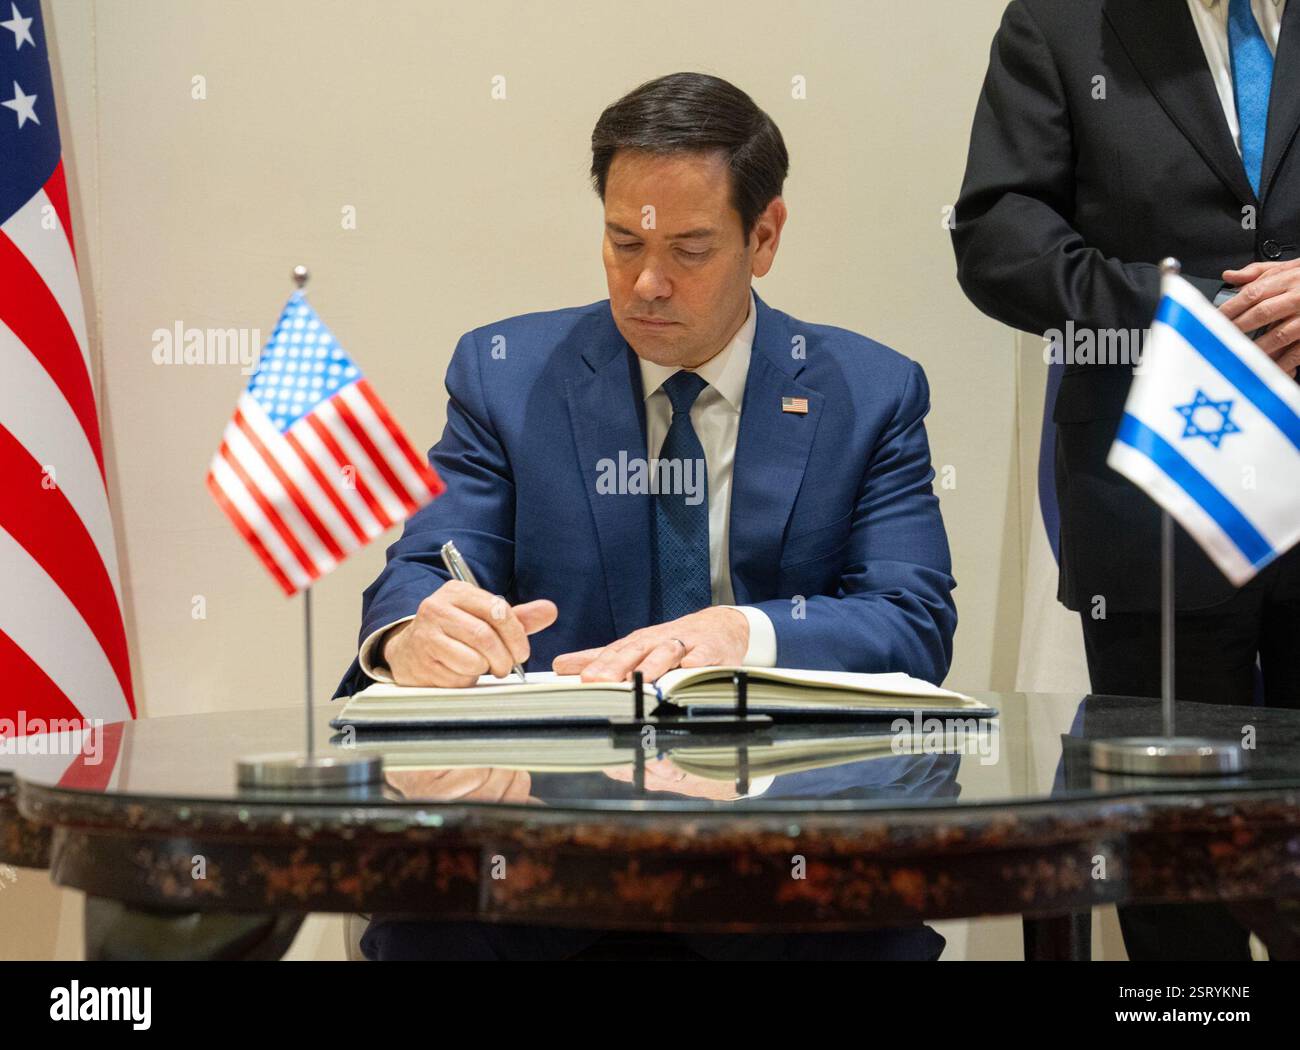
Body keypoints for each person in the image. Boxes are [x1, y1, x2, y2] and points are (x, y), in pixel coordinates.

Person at [339, 71, 957, 960]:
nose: (648, 283)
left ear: (766, 235)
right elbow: (426, 569)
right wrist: (412, 633)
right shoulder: (506, 375)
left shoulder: (869, 392)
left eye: (692, 250)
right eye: (623, 242)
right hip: (538, 873)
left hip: (785, 866)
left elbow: (911, 618)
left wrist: (741, 633)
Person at [951, 0, 1300, 959]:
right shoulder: (1061, 24)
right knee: (1175, 864)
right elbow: (996, 237)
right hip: (1153, 505)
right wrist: (1174, 308)